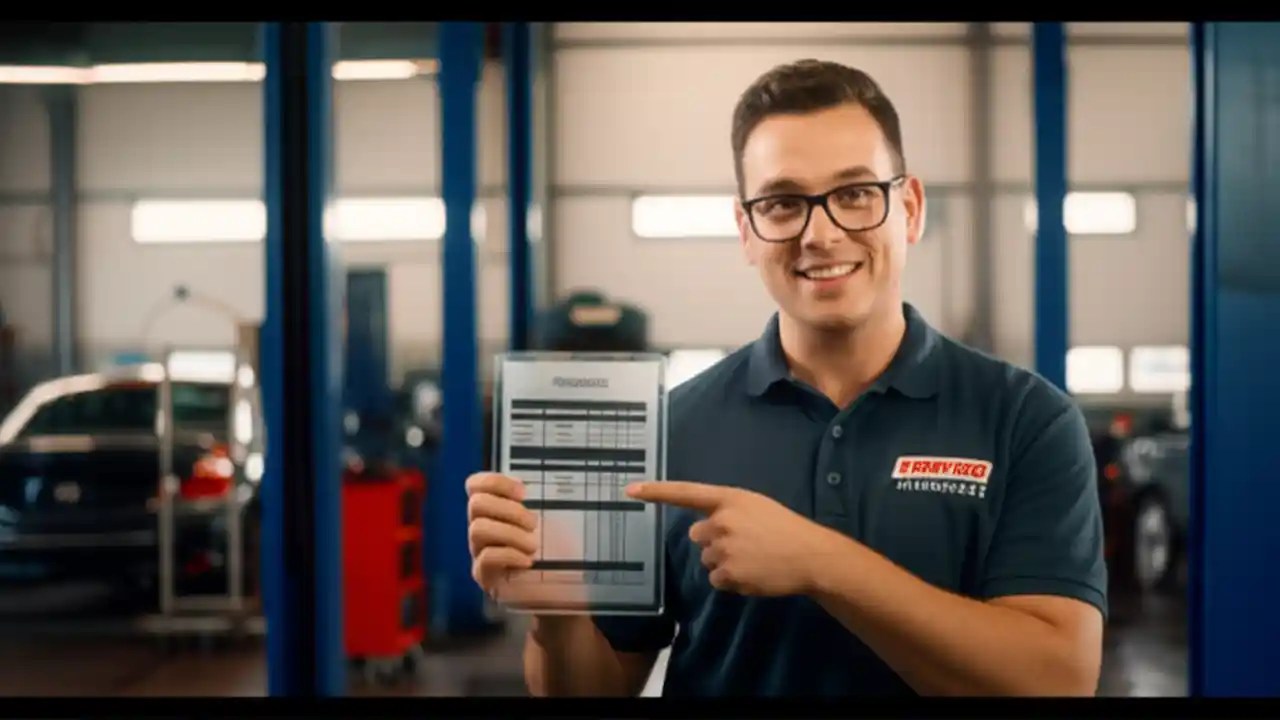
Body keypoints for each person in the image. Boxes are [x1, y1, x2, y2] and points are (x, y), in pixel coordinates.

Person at [465, 59, 1107, 697]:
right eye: (782, 203)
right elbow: (594, 689)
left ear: (909, 208)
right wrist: (556, 614)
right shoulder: (669, 429)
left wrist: (818, 562)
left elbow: (1058, 678)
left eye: (855, 194)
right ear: (747, 230)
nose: (820, 234)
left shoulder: (1025, 421)